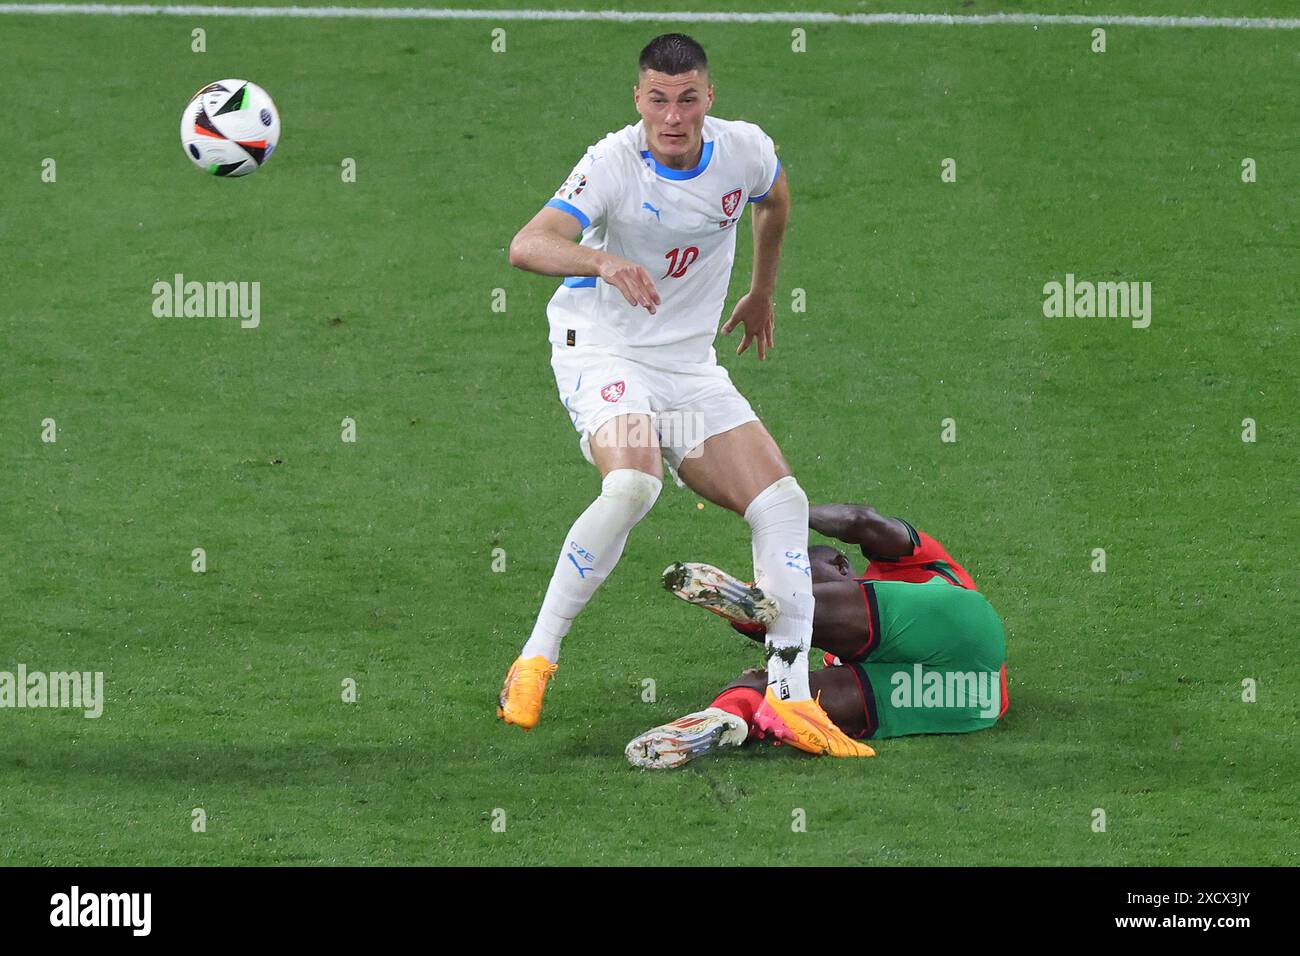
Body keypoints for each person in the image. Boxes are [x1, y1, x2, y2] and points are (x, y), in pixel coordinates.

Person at [498, 33, 870, 757]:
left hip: (687, 366)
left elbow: (775, 201)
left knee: (783, 503)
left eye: (688, 100)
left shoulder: (744, 151)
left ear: (709, 98)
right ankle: (536, 658)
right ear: (638, 99)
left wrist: (762, 291)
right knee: (633, 484)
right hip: (602, 348)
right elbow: (527, 244)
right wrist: (602, 261)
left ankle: (791, 697)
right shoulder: (611, 163)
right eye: (659, 100)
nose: (673, 116)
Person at [626, 504, 1010, 767]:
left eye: (804, 579)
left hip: (965, 629)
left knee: (797, 617)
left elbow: (861, 520)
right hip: (971, 698)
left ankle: (759, 610)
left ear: (841, 564)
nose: (805, 588)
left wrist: (790, 513)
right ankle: (719, 721)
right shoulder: (836, 654)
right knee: (783, 695)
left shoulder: (913, 562)